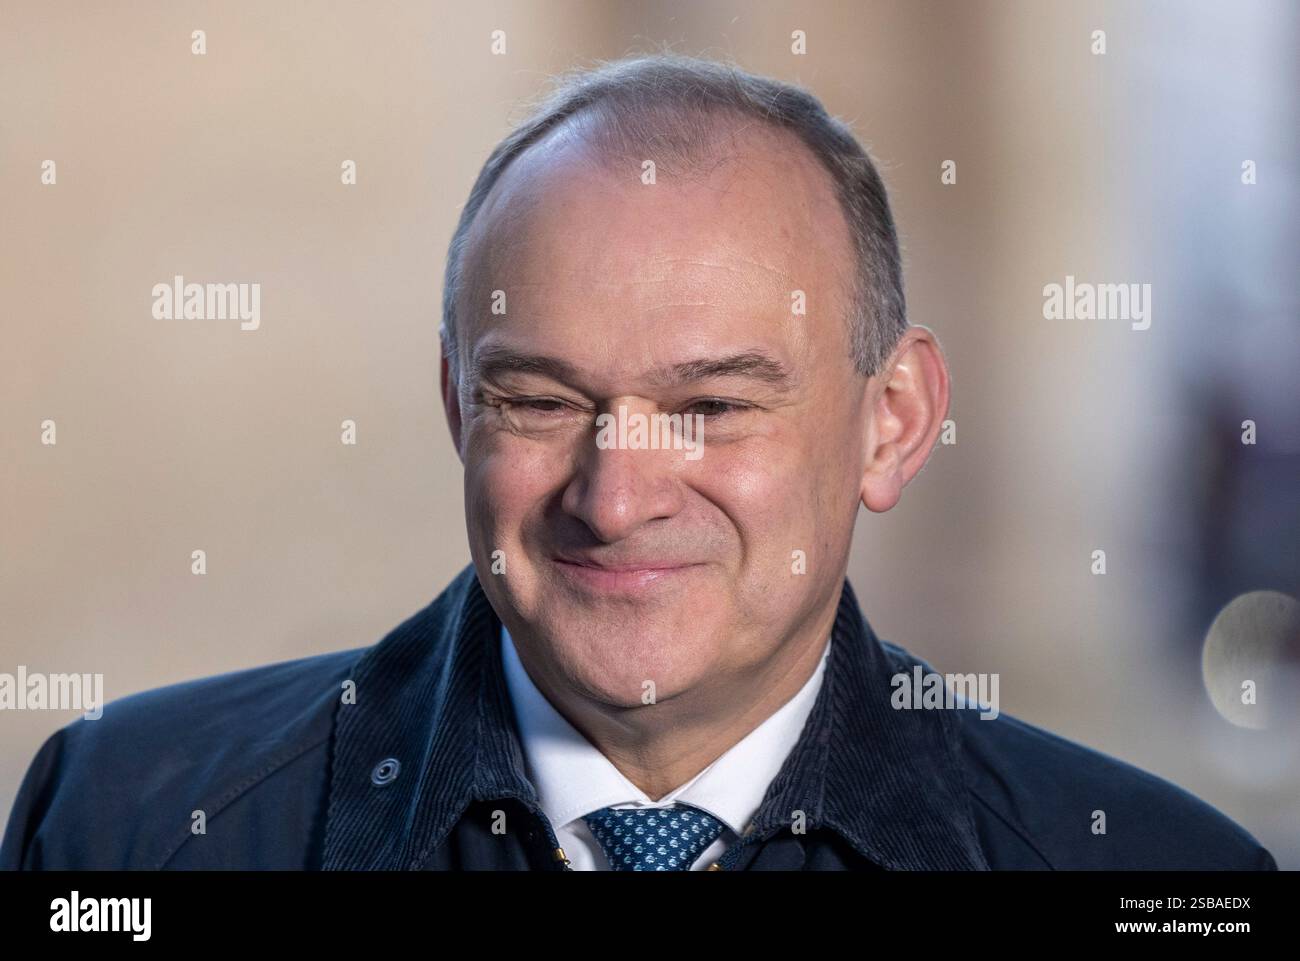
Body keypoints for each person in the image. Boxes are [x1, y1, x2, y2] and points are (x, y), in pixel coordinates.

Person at [1, 53, 1277, 871]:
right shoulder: (131, 832)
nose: (614, 496)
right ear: (458, 408)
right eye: (542, 400)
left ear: (891, 420)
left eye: (713, 406)